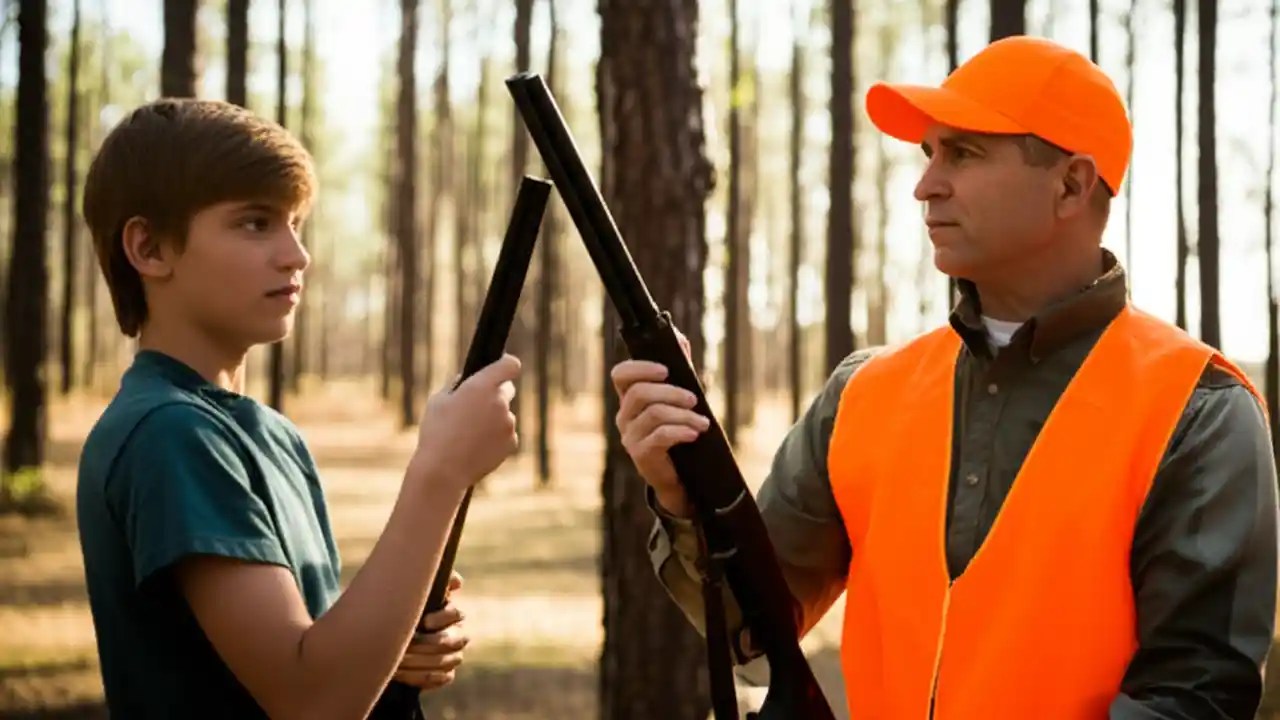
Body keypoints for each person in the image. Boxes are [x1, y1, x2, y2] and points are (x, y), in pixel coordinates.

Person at [613, 35, 1279, 718]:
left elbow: (1196, 700)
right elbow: (747, 628)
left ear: (1071, 185)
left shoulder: (1197, 410)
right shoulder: (863, 394)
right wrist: (682, 492)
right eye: (930, 153)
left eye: (963, 152)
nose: (925, 184)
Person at [75, 98, 521, 719]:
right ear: (149, 248)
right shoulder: (168, 434)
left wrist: (386, 653)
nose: (296, 255)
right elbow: (313, 701)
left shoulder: (268, 434)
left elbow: (310, 653)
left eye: (295, 223)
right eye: (255, 223)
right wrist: (440, 473)